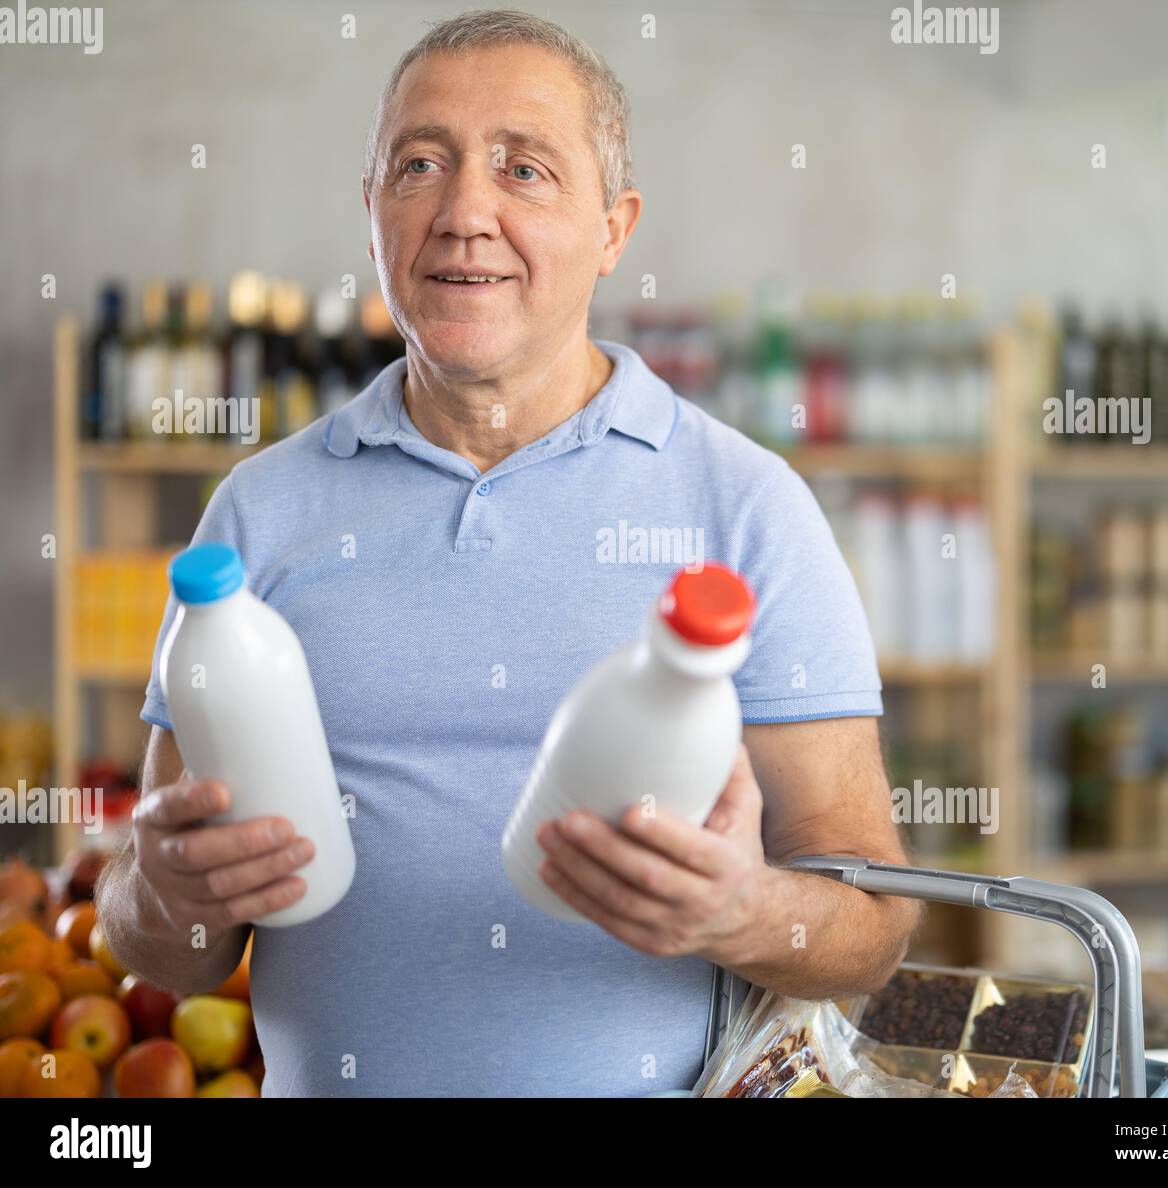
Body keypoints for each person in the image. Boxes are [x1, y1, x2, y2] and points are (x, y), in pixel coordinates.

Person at [96, 9, 917, 1097]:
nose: (463, 214)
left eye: (523, 170)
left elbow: (874, 931)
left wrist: (742, 911)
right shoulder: (259, 512)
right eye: (419, 165)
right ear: (372, 211)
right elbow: (166, 945)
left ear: (614, 226)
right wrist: (162, 895)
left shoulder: (745, 507)